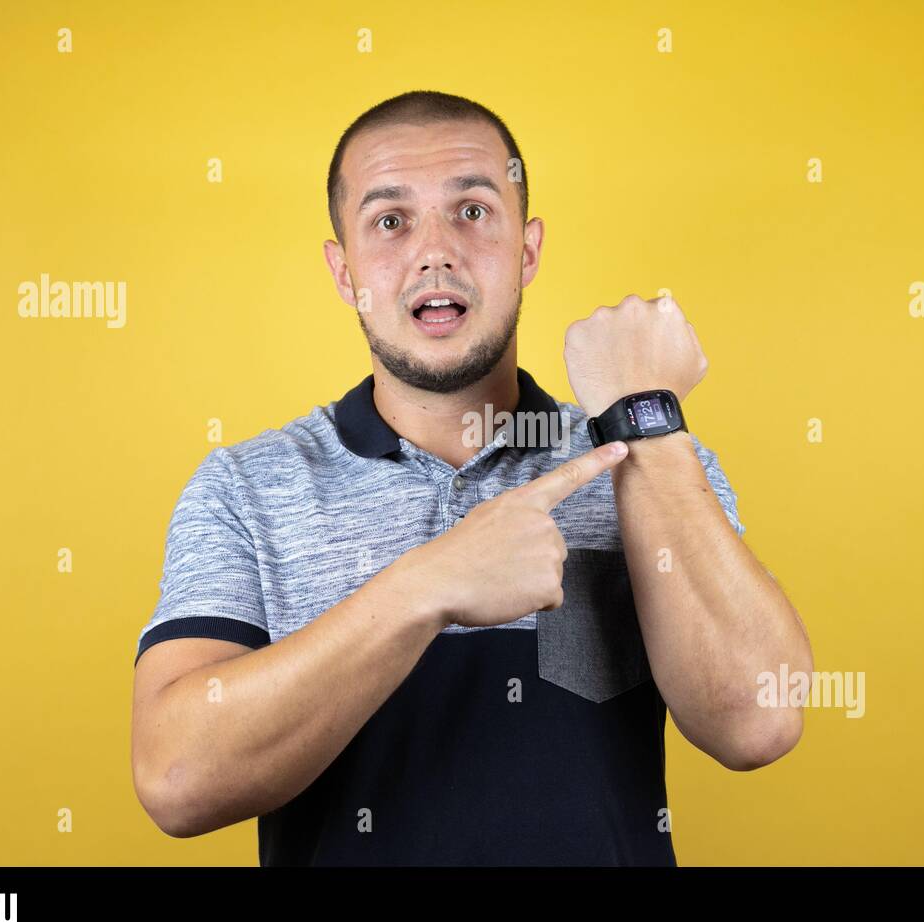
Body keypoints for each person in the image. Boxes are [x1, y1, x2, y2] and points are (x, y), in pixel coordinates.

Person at [130, 90, 812, 865]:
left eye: (474, 211)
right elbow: (176, 779)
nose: (435, 250)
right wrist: (429, 587)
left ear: (526, 249)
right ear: (343, 269)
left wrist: (646, 418)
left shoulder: (648, 463)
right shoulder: (245, 489)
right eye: (390, 221)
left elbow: (762, 720)